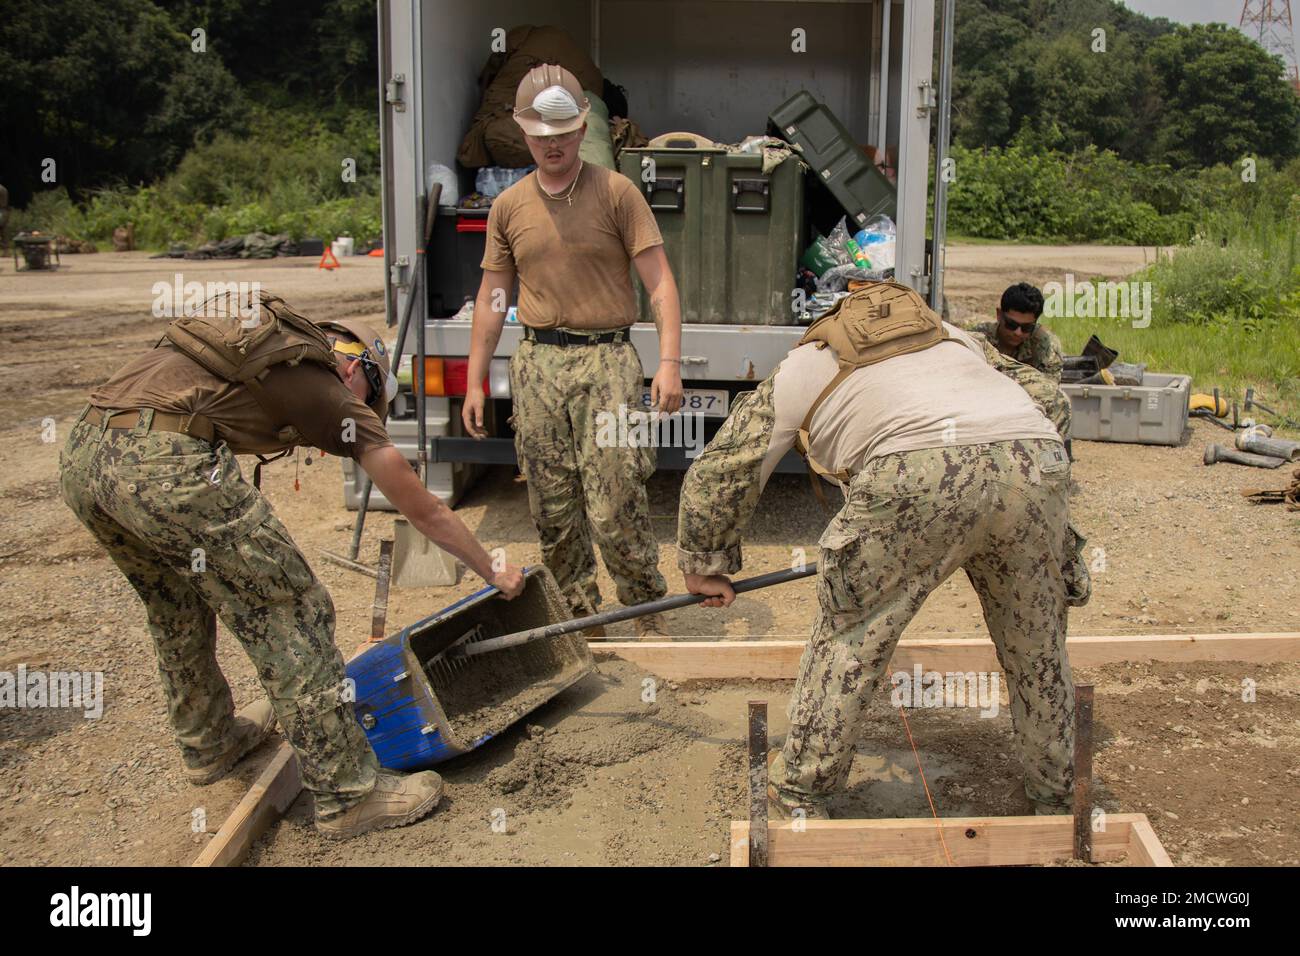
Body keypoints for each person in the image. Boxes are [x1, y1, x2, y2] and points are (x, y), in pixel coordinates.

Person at [60, 290, 524, 840]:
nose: (361, 412)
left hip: (84, 453)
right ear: (355, 367)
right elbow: (424, 509)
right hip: (165, 466)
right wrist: (492, 569)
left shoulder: (267, 353)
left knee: (175, 601)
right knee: (292, 609)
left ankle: (209, 742)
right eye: (369, 395)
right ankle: (349, 792)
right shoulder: (328, 387)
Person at [677, 283, 1090, 819]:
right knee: (1038, 645)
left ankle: (803, 788)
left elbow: (724, 469)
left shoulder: (807, 364)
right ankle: (1058, 794)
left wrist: (706, 565)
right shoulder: (958, 341)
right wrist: (1052, 527)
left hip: (910, 476)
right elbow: (1052, 402)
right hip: (1032, 463)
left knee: (851, 635)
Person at [463, 63, 684, 636]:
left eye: (562, 129)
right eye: (540, 133)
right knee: (554, 508)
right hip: (536, 364)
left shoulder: (617, 193)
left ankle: (645, 612)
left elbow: (659, 282)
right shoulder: (508, 207)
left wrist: (668, 363)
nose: (553, 142)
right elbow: (493, 294)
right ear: (524, 133)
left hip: (608, 362)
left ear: (582, 125)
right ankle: (580, 623)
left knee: (616, 503)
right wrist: (475, 378)